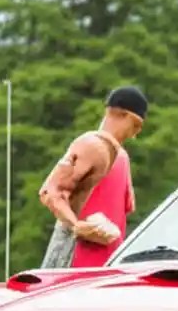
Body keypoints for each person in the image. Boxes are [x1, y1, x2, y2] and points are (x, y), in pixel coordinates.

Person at [38, 86, 147, 269]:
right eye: (135, 125)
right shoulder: (90, 145)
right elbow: (49, 192)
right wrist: (77, 225)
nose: (135, 134)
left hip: (109, 264)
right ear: (121, 114)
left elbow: (127, 207)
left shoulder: (121, 157)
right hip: (77, 262)